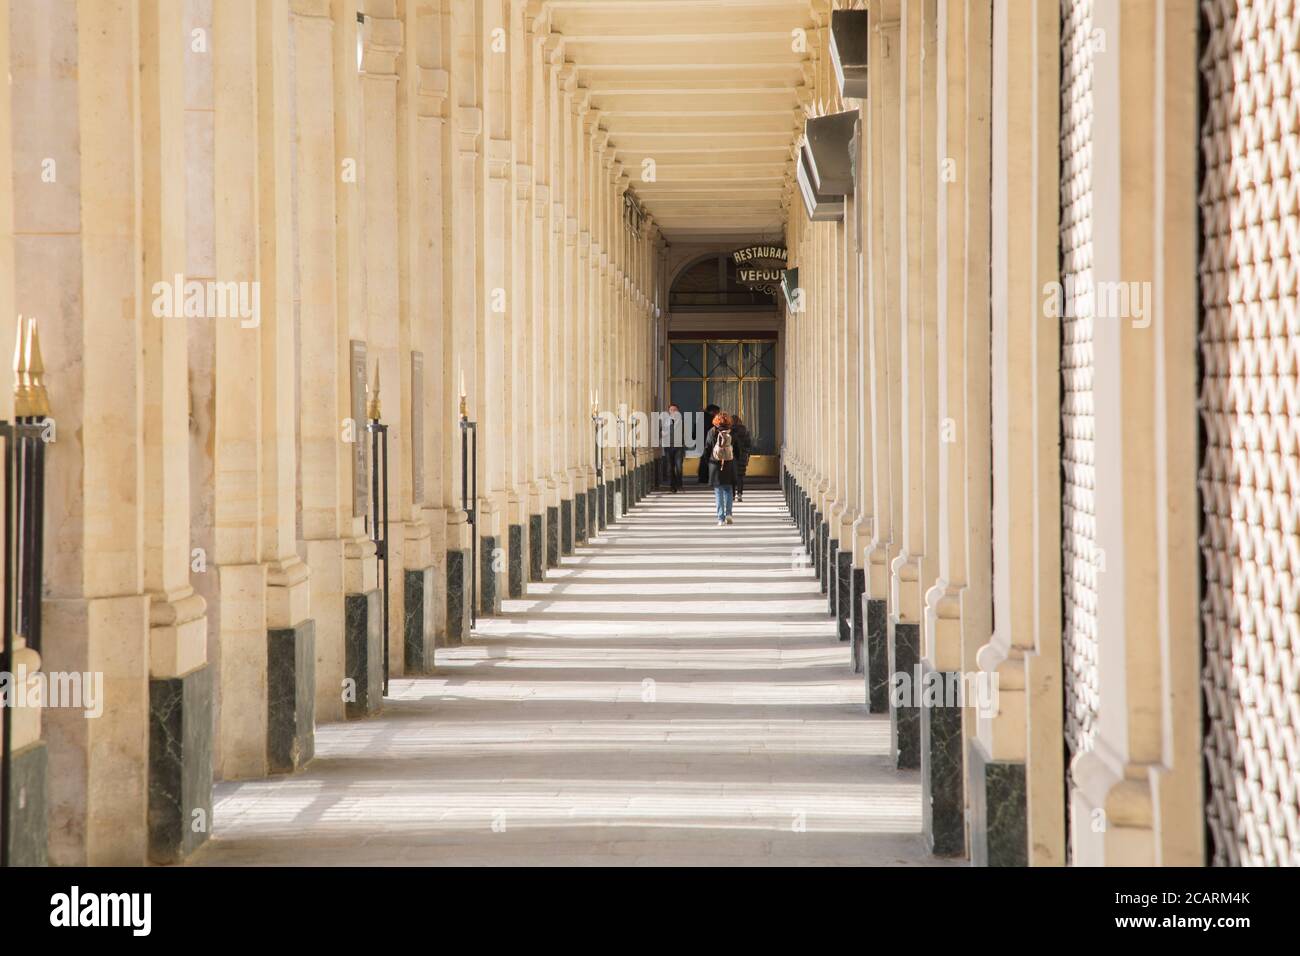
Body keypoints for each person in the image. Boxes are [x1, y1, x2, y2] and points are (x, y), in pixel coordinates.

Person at [704, 411, 738, 525]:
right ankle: (729, 514)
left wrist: (707, 461)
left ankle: (720, 518)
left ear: (716, 421)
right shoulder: (732, 432)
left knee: (718, 491)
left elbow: (707, 448)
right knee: (728, 489)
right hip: (729, 463)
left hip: (715, 464)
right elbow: (737, 449)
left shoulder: (712, 432)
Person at [661, 403, 686, 492]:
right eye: (671, 410)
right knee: (670, 467)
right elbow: (662, 432)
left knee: (679, 467)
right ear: (669, 411)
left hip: (679, 447)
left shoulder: (681, 421)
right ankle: (672, 486)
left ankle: (679, 485)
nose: (673, 411)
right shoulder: (665, 421)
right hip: (668, 446)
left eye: (675, 410)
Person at [731, 413, 754, 502]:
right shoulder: (745, 431)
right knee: (740, 476)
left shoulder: (730, 431)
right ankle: (739, 494)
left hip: (732, 456)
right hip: (743, 456)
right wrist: (747, 454)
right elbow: (749, 445)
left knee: (732, 476)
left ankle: (732, 495)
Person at [697, 403, 720, 484]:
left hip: (701, 441)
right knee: (707, 459)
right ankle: (706, 477)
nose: (718, 414)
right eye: (717, 412)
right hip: (707, 441)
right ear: (713, 411)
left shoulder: (701, 418)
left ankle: (702, 477)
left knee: (703, 459)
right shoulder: (710, 419)